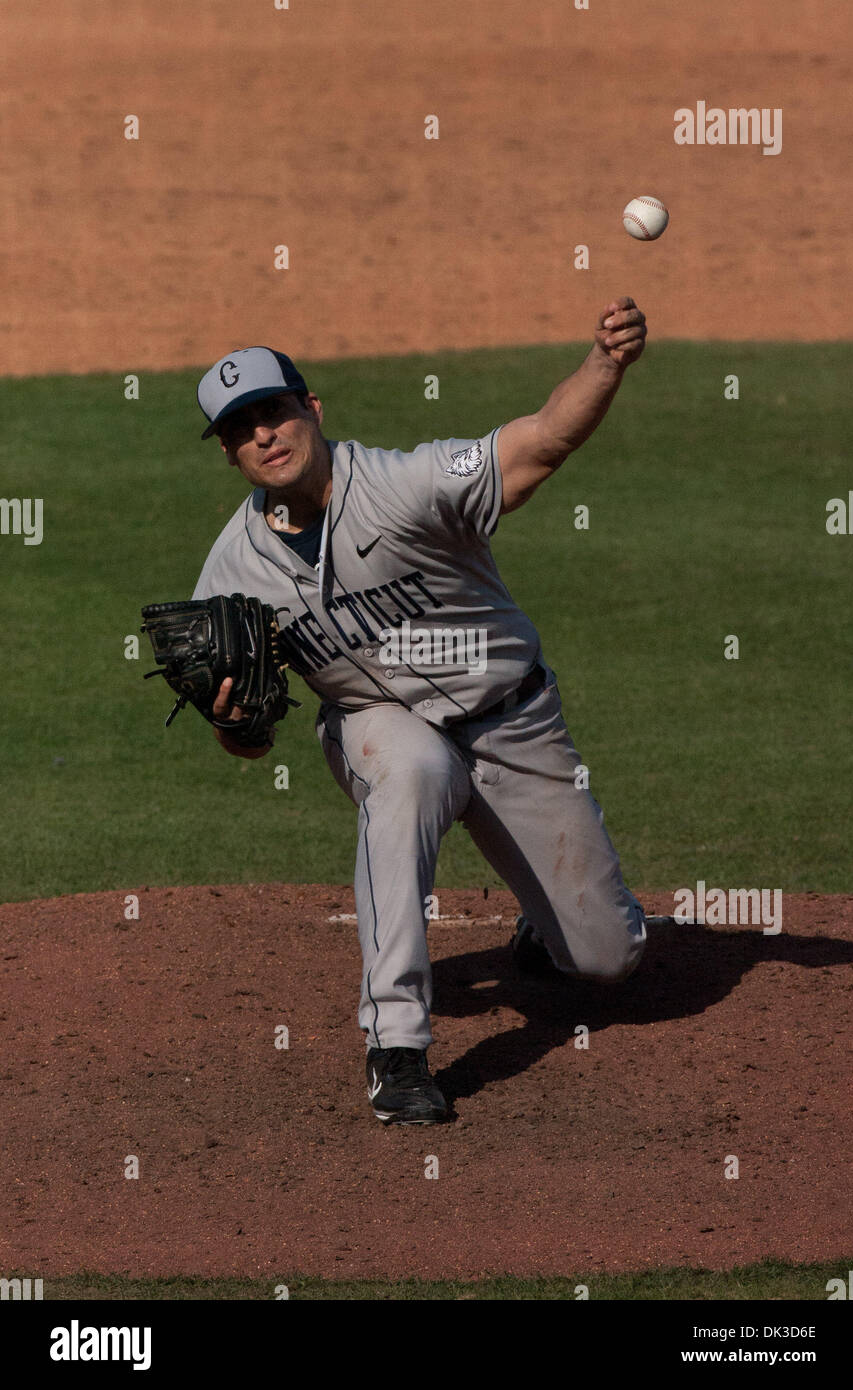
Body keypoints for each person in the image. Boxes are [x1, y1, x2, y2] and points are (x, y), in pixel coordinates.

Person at [192, 296, 649, 1126]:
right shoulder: (231, 576)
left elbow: (542, 440)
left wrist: (605, 364)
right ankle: (396, 1049)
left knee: (608, 962)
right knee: (409, 766)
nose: (263, 434)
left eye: (274, 411)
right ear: (229, 453)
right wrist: (235, 726)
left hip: (513, 723)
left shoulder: (406, 485)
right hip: (378, 726)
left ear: (311, 410)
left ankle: (544, 934)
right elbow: (248, 745)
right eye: (240, 428)